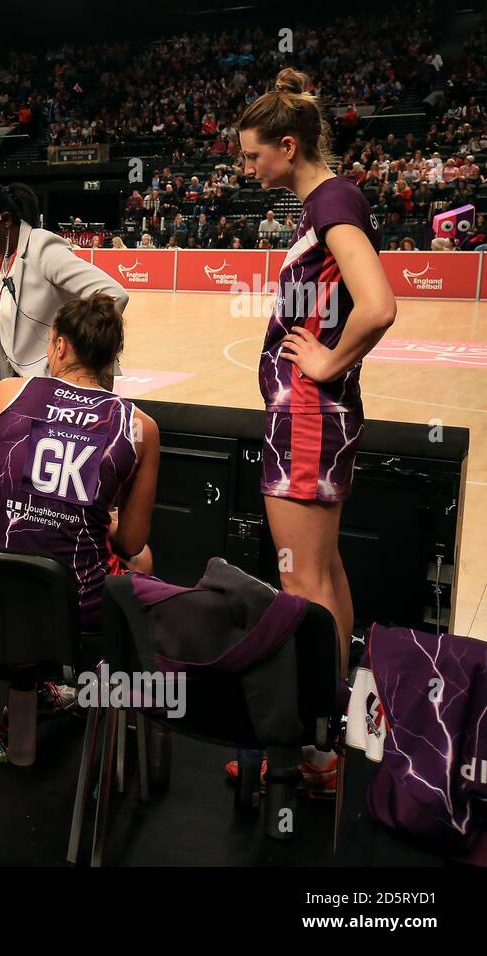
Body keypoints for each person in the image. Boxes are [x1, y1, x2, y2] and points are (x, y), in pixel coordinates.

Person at [238, 66, 394, 686]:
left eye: (253, 157)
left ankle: (316, 743)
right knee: (324, 571)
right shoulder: (332, 199)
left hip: (307, 415)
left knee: (302, 580)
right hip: (315, 417)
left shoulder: (331, 202)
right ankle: (338, 733)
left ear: (287, 147)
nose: (248, 169)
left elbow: (378, 305)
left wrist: (328, 361)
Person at [0, 292, 158, 635]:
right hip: (79, 609)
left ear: (60, 347)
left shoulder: (7, 393)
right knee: (145, 558)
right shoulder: (141, 427)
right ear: (111, 357)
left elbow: (9, 485)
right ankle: (96, 673)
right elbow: (131, 543)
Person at [0, 182, 129, 391]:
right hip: (31, 389)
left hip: (69, 388)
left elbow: (114, 294)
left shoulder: (42, 249)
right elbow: (10, 341)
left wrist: (73, 358)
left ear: (6, 220)